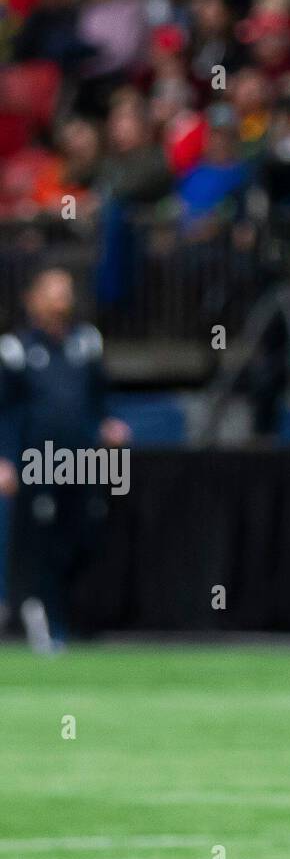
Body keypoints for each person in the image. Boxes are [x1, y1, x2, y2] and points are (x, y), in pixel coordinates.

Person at [0, 267, 130, 652]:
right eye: (53, 293)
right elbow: (6, 410)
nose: (61, 301)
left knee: (85, 535)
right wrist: (5, 459)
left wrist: (109, 425)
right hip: (38, 462)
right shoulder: (16, 349)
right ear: (33, 299)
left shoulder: (86, 343)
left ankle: (73, 615)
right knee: (43, 542)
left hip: (84, 461)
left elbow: (98, 397)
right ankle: (45, 619)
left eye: (67, 293)